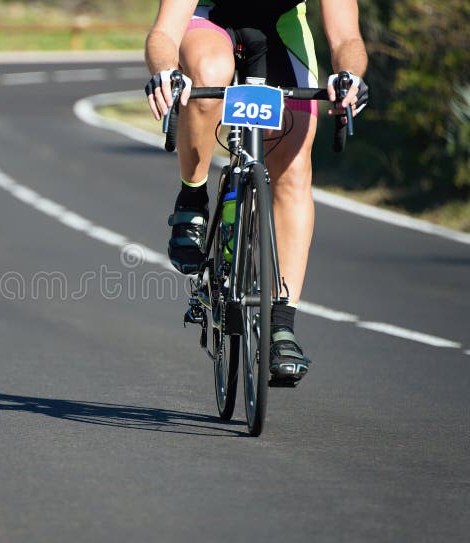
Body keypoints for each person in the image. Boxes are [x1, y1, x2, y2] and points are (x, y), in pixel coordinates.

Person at [145, 0, 368, 383]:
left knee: (295, 168)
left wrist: (349, 75)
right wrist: (166, 72)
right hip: (211, 19)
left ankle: (281, 323)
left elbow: (347, 36)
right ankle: (192, 198)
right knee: (208, 75)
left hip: (278, 29)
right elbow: (164, 32)